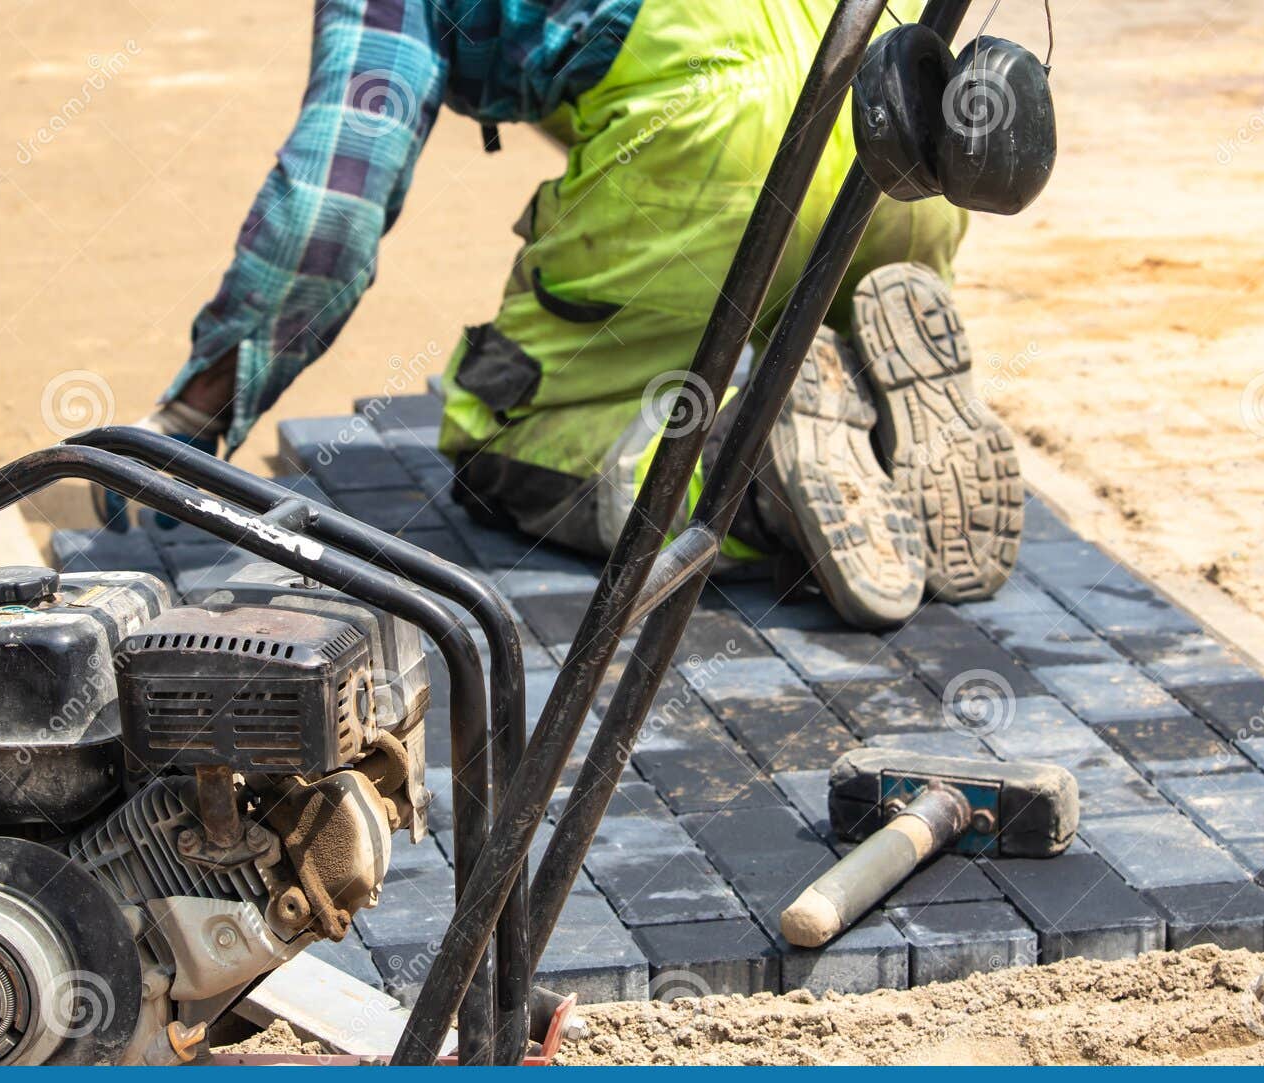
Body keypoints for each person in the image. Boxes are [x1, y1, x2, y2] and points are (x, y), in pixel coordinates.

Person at [101, 0, 1021, 628]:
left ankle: (759, 476)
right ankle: (878, 417)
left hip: (718, 154)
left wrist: (192, 418)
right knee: (763, 317)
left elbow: (329, 213)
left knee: (505, 447)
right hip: (902, 127)